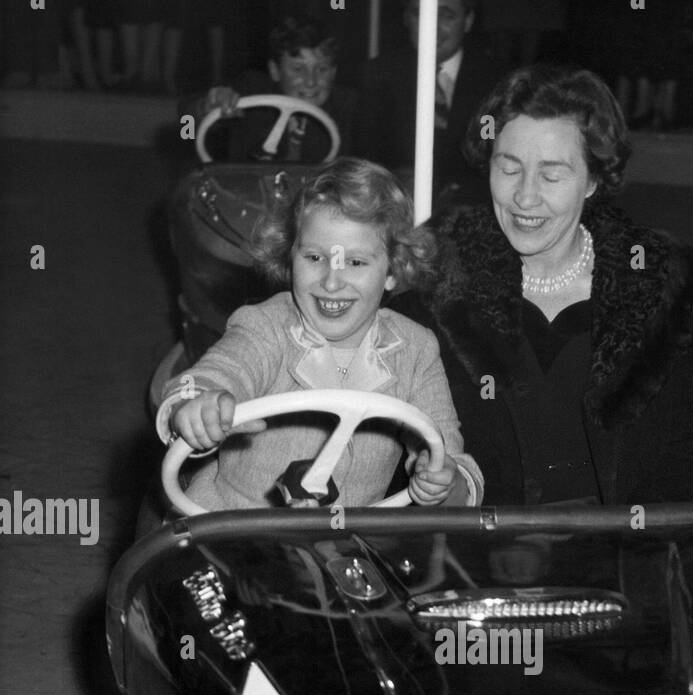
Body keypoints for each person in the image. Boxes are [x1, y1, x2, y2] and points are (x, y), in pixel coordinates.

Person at [402, 66, 693, 507]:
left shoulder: (671, 287)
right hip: (476, 554)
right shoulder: (434, 280)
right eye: (508, 168)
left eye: (552, 176)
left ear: (593, 180)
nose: (524, 198)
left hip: (626, 555)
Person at [156, 159, 483, 512]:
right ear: (289, 256)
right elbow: (218, 372)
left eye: (355, 263)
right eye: (315, 257)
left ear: (393, 270)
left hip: (348, 547)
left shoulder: (416, 350)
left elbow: (447, 453)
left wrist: (444, 481)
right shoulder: (266, 327)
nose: (331, 282)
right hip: (232, 527)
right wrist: (199, 404)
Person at [356, 0, 506, 203]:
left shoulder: (494, 80)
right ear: (406, 19)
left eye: (446, 16)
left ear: (468, 21)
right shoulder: (378, 76)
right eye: (420, 14)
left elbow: (492, 150)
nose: (432, 26)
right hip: (396, 204)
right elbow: (365, 154)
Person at [199, 15, 357, 163]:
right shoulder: (251, 91)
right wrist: (207, 107)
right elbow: (186, 122)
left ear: (334, 72)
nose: (311, 82)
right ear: (275, 71)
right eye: (298, 69)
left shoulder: (350, 108)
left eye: (322, 69)